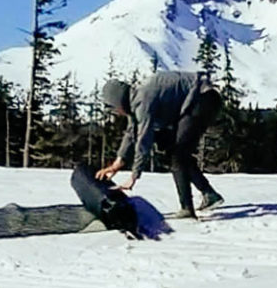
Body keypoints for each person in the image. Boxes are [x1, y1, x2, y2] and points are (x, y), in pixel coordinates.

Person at [96, 72, 225, 220]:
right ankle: (209, 194)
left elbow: (143, 140)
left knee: (178, 155)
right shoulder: (136, 100)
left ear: (118, 101)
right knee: (175, 152)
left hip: (203, 99)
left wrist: (134, 176)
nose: (115, 113)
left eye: (113, 108)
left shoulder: (143, 101)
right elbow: (132, 133)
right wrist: (117, 164)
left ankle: (187, 209)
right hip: (199, 100)